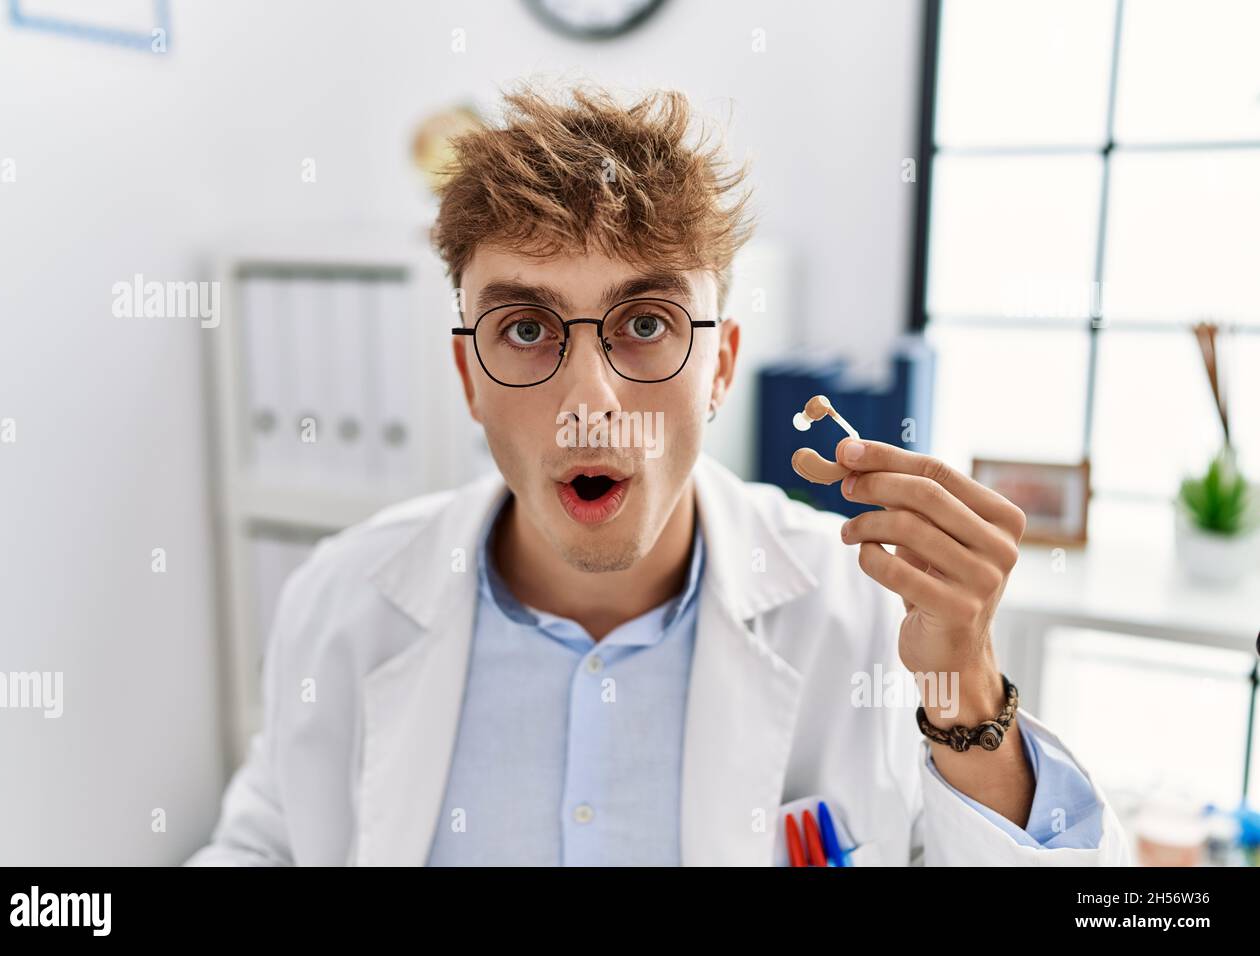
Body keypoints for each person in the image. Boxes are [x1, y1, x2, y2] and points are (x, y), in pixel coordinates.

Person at [188, 84, 1130, 866]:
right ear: (469, 376)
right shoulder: (341, 601)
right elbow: (265, 844)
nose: (588, 400)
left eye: (645, 324)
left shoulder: (866, 617)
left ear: (720, 368)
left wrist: (966, 688)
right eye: (526, 329)